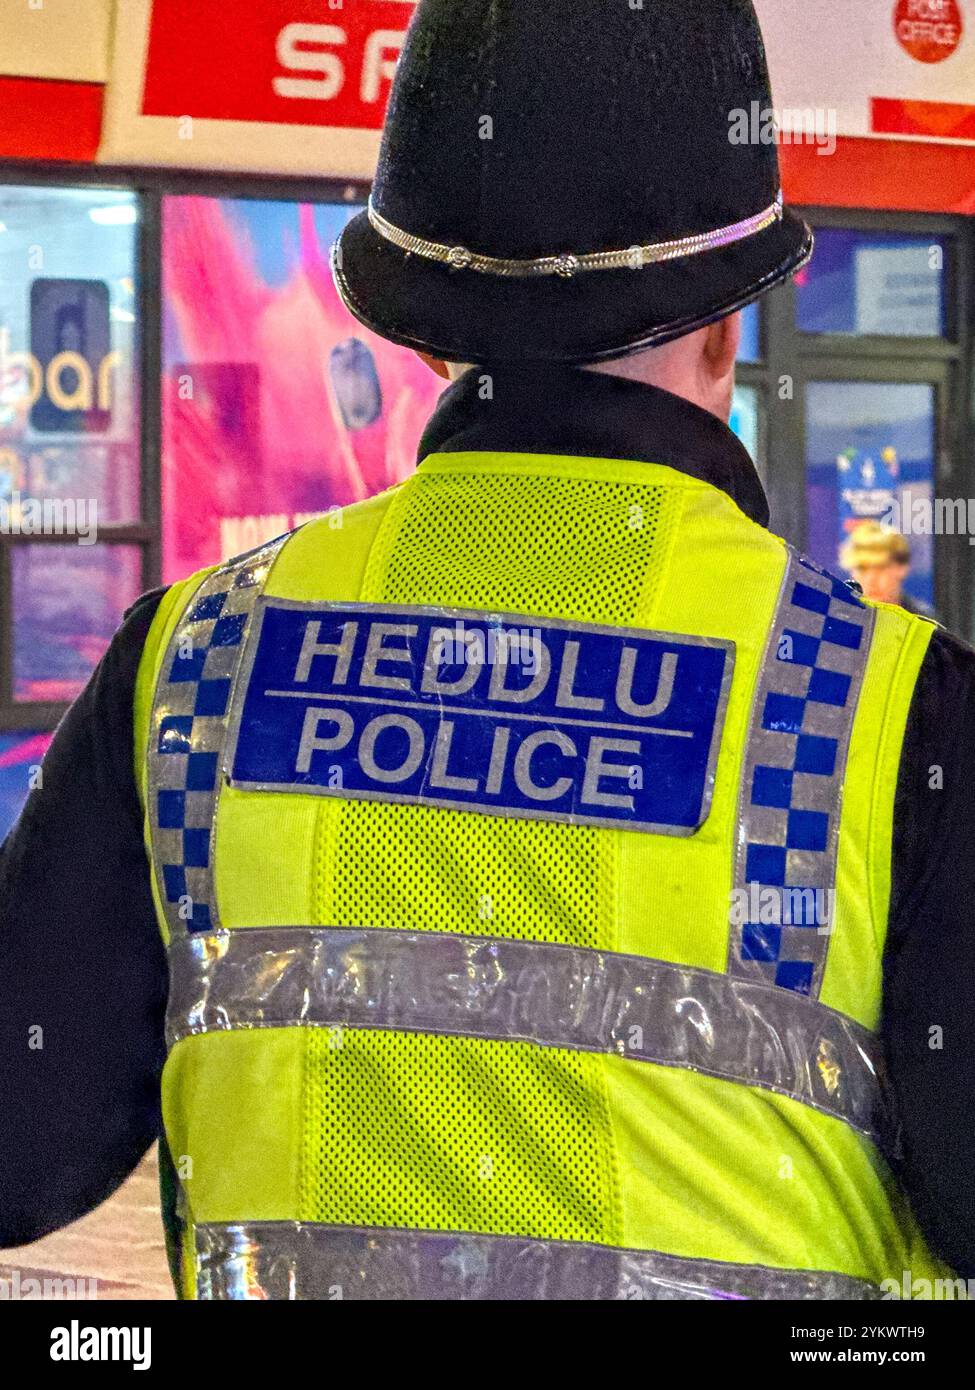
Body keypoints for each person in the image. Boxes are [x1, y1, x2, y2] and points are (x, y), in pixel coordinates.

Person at [2, 0, 974, 1301]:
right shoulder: (888, 711)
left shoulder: (193, 662)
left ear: (424, 332)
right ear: (723, 327)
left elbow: (22, 1145)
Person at [840, 520, 938, 620]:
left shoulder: (926, 624)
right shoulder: (839, 621)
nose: (871, 579)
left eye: (881, 568)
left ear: (902, 568)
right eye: (862, 569)